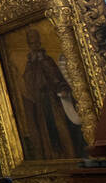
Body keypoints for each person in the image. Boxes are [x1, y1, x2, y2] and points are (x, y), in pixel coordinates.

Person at [19, 27, 86, 160]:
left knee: (61, 129)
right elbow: (28, 81)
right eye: (30, 43)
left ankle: (70, 155)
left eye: (35, 41)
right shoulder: (30, 65)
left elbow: (56, 76)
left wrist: (60, 88)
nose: (34, 45)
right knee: (46, 132)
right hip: (40, 104)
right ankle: (53, 155)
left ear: (39, 42)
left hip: (53, 101)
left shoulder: (47, 60)